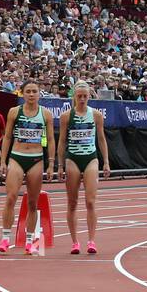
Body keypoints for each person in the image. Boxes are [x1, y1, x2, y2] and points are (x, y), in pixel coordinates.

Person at [0, 81, 55, 254]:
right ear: (22, 94)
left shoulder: (46, 114)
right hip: (17, 156)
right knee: (11, 197)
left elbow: (51, 140)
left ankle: (30, 240)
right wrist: (3, 161)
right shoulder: (15, 112)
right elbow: (7, 137)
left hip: (36, 159)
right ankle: (5, 238)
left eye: (34, 91)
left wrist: (51, 163)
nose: (31, 94)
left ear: (39, 94)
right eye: (28, 91)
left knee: (32, 202)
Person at [58, 82, 108, 254]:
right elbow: (62, 141)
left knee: (90, 201)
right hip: (72, 159)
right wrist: (59, 164)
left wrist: (106, 161)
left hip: (90, 158)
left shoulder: (96, 115)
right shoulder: (66, 116)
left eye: (85, 96)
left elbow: (101, 139)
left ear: (89, 96)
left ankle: (91, 240)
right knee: (72, 203)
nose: (82, 99)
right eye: (79, 96)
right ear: (74, 97)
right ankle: (74, 242)